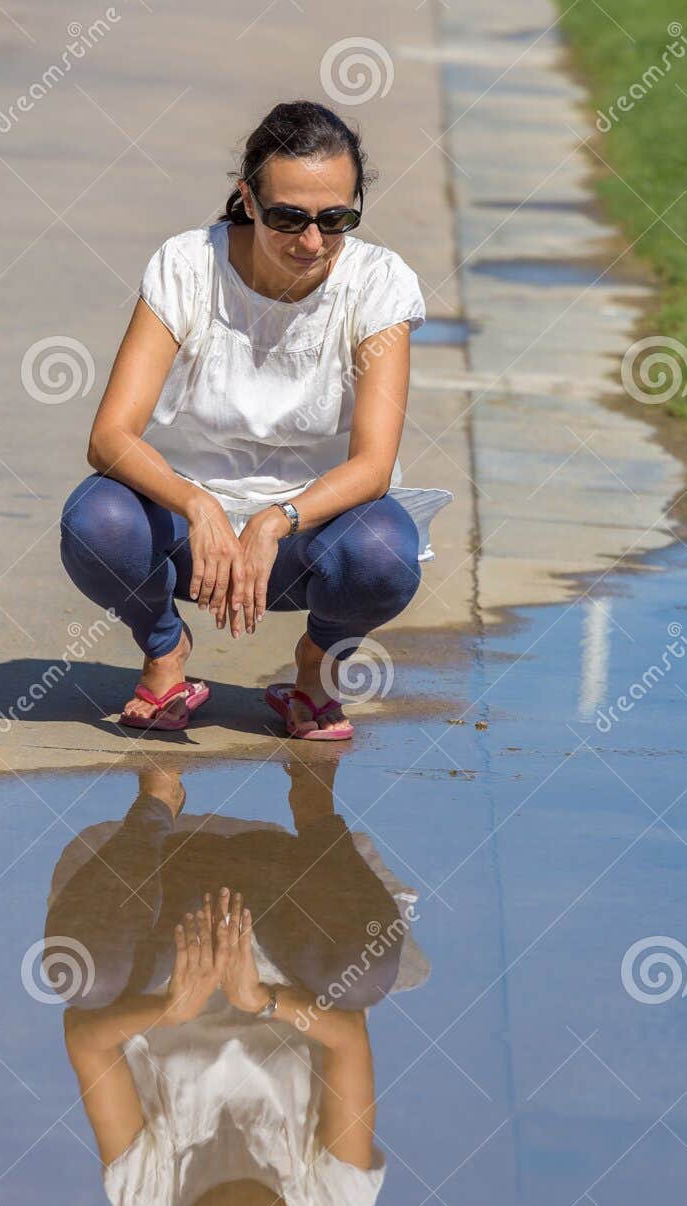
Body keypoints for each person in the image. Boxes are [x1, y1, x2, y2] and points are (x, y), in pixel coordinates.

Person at [59, 99, 450, 739]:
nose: (312, 242)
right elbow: (109, 437)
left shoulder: (378, 283)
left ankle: (317, 664)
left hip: (309, 539)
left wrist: (276, 519)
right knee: (95, 521)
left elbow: (374, 466)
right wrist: (198, 506)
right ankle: (164, 650)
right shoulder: (187, 266)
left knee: (385, 553)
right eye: (288, 218)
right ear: (247, 198)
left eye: (336, 219)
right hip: (186, 534)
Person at [45, 760, 430, 1206]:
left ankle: (157, 797)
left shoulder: (145, 1195)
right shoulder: (335, 1196)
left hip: (159, 904)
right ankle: (313, 802)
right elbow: (347, 1037)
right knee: (360, 981)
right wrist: (260, 1000)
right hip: (289, 912)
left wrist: (170, 1010)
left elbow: (85, 1040)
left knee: (84, 982)